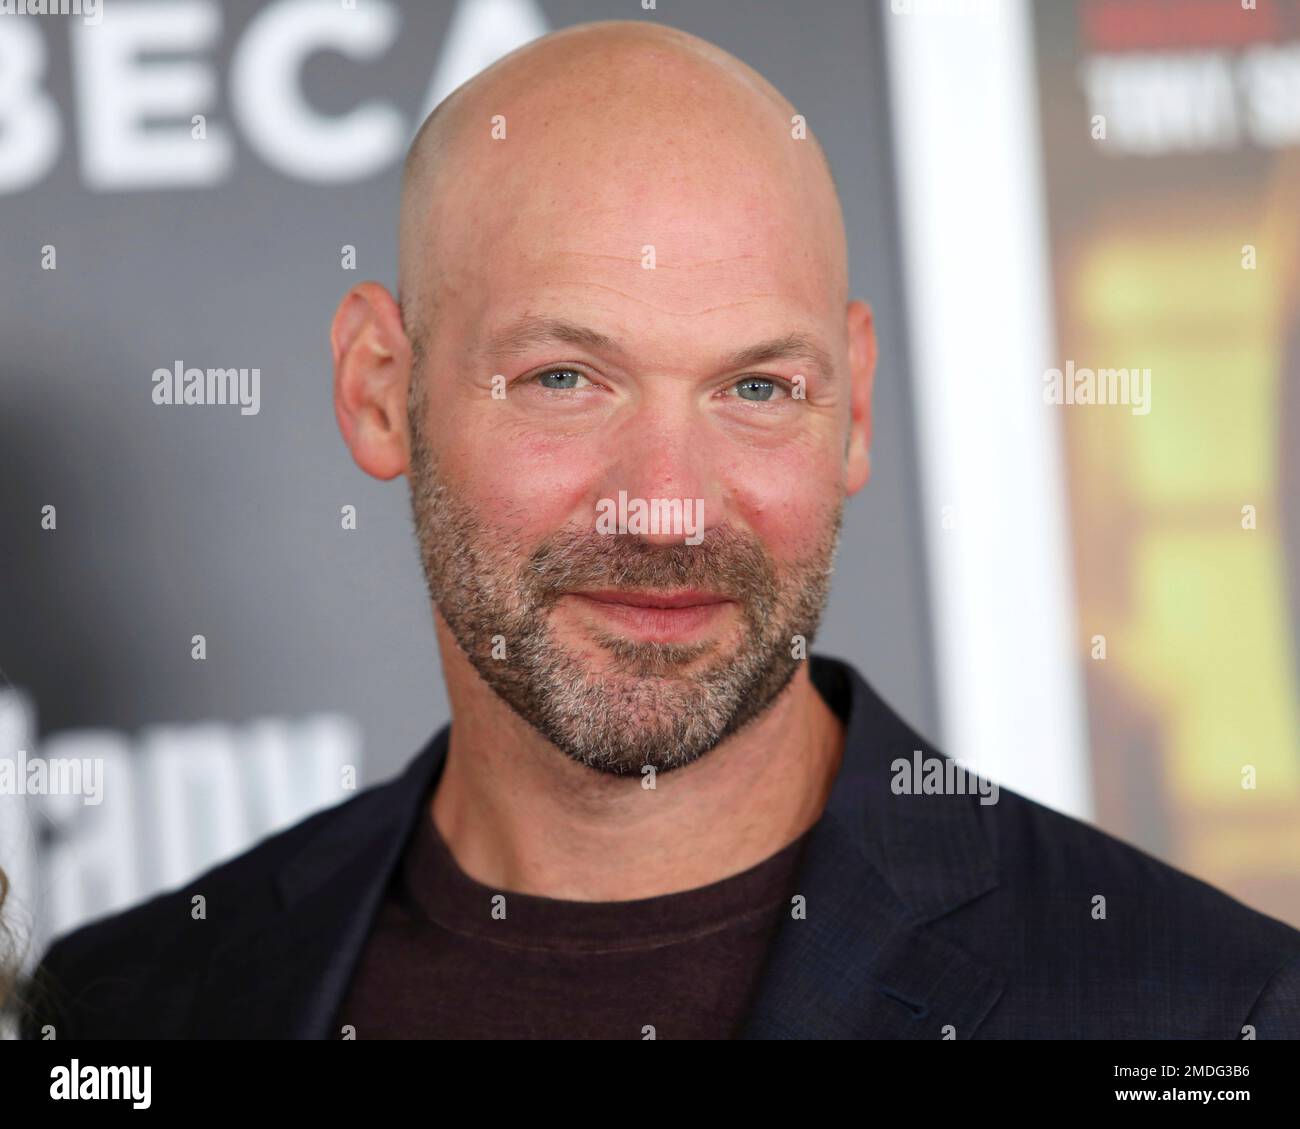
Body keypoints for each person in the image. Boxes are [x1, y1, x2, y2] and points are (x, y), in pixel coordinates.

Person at [22, 20, 1300, 1040]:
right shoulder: (139, 1002)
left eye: (756, 389)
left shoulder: (1200, 1009)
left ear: (850, 406)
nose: (666, 506)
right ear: (376, 386)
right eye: (565, 379)